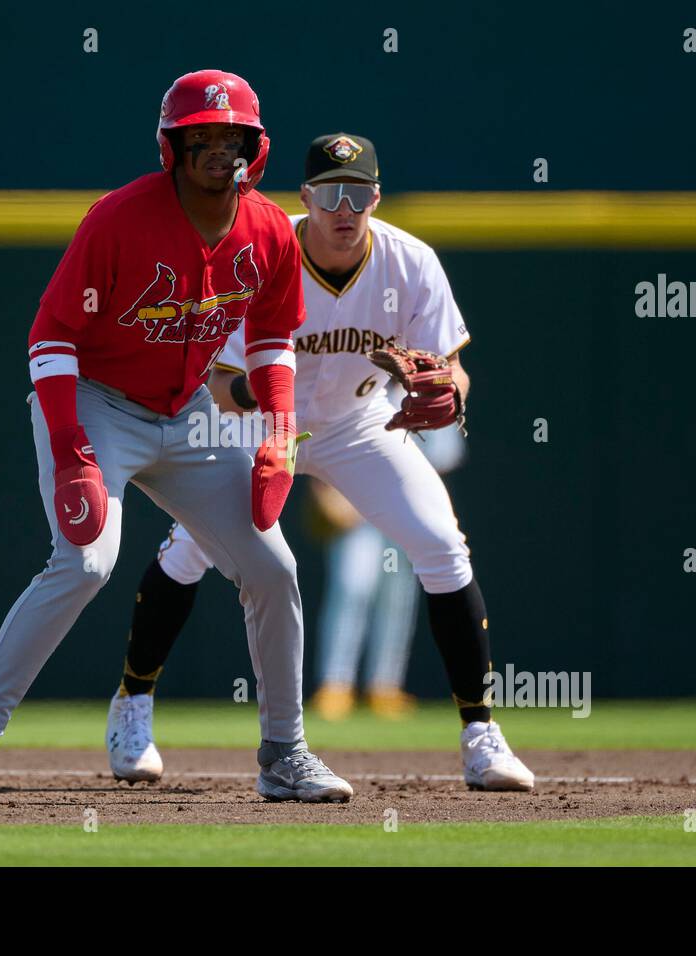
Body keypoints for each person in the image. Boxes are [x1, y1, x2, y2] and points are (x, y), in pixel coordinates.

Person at [0, 71, 353, 805]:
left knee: (273, 567)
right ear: (173, 147)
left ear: (257, 148)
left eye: (233, 140)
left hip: (187, 412)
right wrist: (71, 450)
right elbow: (51, 338)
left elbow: (274, 339)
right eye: (203, 139)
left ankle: (284, 753)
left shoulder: (268, 231)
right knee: (88, 561)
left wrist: (278, 433)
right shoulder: (119, 218)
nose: (219, 152)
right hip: (97, 402)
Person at [104, 133, 535, 791]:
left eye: (358, 194)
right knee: (191, 548)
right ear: (305, 197)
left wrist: (444, 391)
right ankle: (133, 704)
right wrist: (263, 399)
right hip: (253, 424)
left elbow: (452, 369)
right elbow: (220, 385)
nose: (344, 208)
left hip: (358, 424)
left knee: (443, 545)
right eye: (330, 193)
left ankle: (482, 737)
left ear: (376, 198)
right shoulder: (263, 255)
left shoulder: (410, 261)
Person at [306, 418, 465, 720]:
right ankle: (335, 684)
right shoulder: (358, 379)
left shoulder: (424, 386)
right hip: (357, 507)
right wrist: (325, 489)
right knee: (353, 587)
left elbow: (444, 456)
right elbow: (324, 438)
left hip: (405, 506)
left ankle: (384, 686)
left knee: (397, 598)